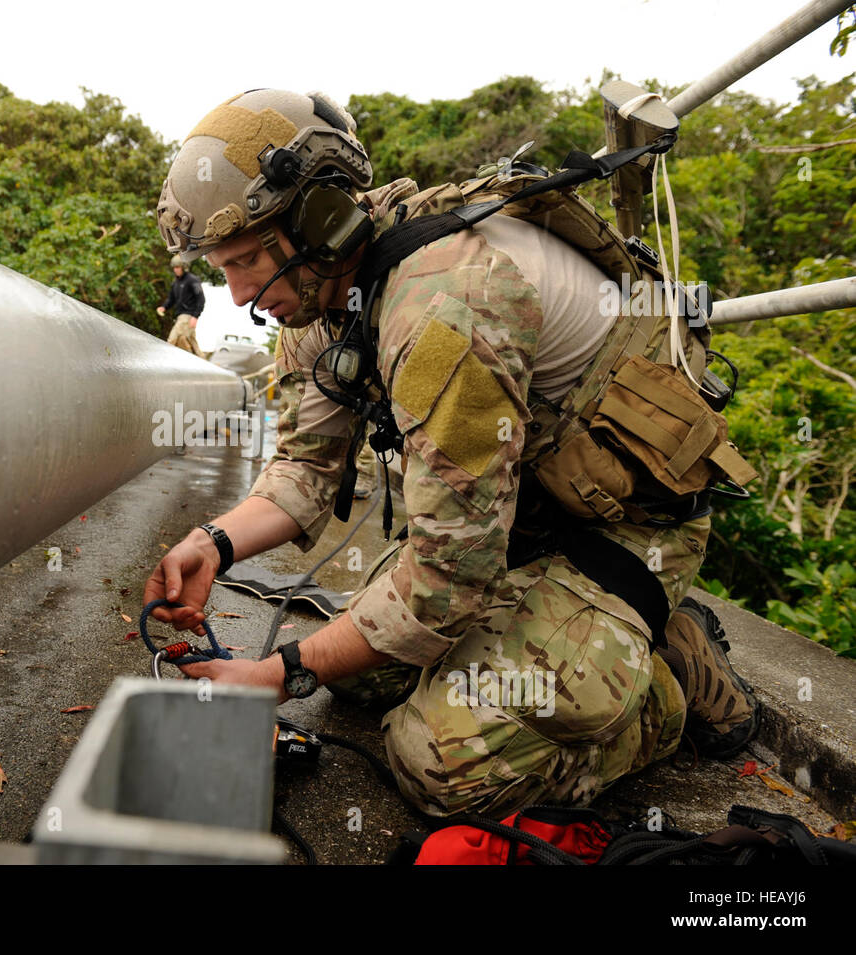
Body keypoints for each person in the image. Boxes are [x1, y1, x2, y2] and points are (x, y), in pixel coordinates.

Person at [143, 89, 760, 818]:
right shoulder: (316, 299)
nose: (242, 292)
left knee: (439, 762)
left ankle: (666, 682)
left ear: (322, 221)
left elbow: (445, 580)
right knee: (362, 674)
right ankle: (585, 640)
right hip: (521, 519)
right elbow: (304, 472)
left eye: (248, 260)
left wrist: (280, 671)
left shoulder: (446, 305)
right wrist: (211, 545)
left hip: (627, 530)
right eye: (223, 268)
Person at [158, 254, 205, 357]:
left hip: (188, 315)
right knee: (190, 341)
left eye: (178, 267)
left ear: (184, 267)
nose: (176, 270)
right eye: (174, 267)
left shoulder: (192, 280)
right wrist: (164, 307)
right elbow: (171, 299)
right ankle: (202, 361)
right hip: (179, 315)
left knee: (173, 338)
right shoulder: (175, 283)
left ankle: (164, 358)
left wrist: (195, 316)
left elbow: (201, 299)